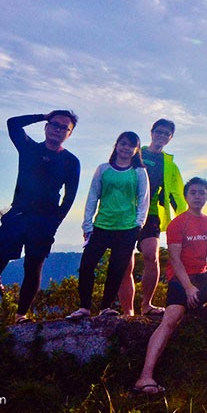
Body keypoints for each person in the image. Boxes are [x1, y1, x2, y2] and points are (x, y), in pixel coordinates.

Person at [0, 111, 80, 326]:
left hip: (44, 222)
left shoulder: (71, 162)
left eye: (64, 127)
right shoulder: (29, 148)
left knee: (33, 269)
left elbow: (69, 198)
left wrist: (54, 224)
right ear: (46, 126)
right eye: (54, 124)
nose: (58, 129)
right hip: (17, 216)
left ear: (70, 134)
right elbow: (12, 123)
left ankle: (21, 316)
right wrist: (44, 115)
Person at [132, 177, 207, 395]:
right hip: (181, 280)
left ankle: (201, 303)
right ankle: (145, 377)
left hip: (203, 276)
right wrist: (188, 288)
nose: (197, 196)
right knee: (170, 320)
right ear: (186, 196)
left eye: (202, 193)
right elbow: (174, 260)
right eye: (193, 192)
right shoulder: (178, 224)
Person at [68, 132, 150, 318]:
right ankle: (84, 307)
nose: (126, 148)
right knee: (87, 266)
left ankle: (106, 307)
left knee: (116, 270)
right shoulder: (103, 169)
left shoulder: (139, 172)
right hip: (102, 225)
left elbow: (143, 199)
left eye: (130, 145)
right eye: (123, 144)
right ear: (116, 145)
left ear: (136, 149)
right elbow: (93, 196)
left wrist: (138, 225)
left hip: (127, 228)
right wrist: (87, 225)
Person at [120, 119, 186, 316]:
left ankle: (146, 305)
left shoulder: (169, 164)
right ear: (151, 132)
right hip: (126, 213)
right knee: (125, 262)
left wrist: (183, 220)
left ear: (170, 138)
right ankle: (127, 311)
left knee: (152, 256)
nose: (162, 136)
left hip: (152, 215)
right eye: (159, 132)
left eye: (166, 134)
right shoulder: (137, 153)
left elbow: (176, 194)